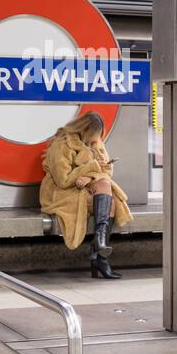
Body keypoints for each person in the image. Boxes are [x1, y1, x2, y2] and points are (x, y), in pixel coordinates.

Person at [40, 111, 133, 279]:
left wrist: (88, 175)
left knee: (106, 186)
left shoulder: (95, 142)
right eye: (92, 137)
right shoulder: (62, 144)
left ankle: (99, 247)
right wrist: (91, 168)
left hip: (88, 187)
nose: (94, 141)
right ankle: (99, 257)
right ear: (84, 130)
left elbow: (106, 170)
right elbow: (63, 180)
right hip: (62, 192)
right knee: (111, 201)